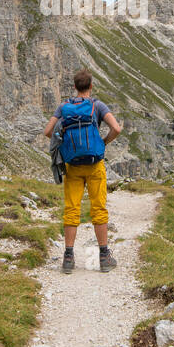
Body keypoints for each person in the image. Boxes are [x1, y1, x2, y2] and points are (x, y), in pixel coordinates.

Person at [41, 68, 122, 274]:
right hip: (95, 165)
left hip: (73, 166)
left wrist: (66, 144)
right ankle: (104, 257)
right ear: (91, 86)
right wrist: (103, 143)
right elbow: (117, 128)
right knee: (98, 208)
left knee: (72, 208)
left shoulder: (64, 107)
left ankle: (68, 258)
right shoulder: (97, 106)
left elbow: (48, 131)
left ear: (75, 87)